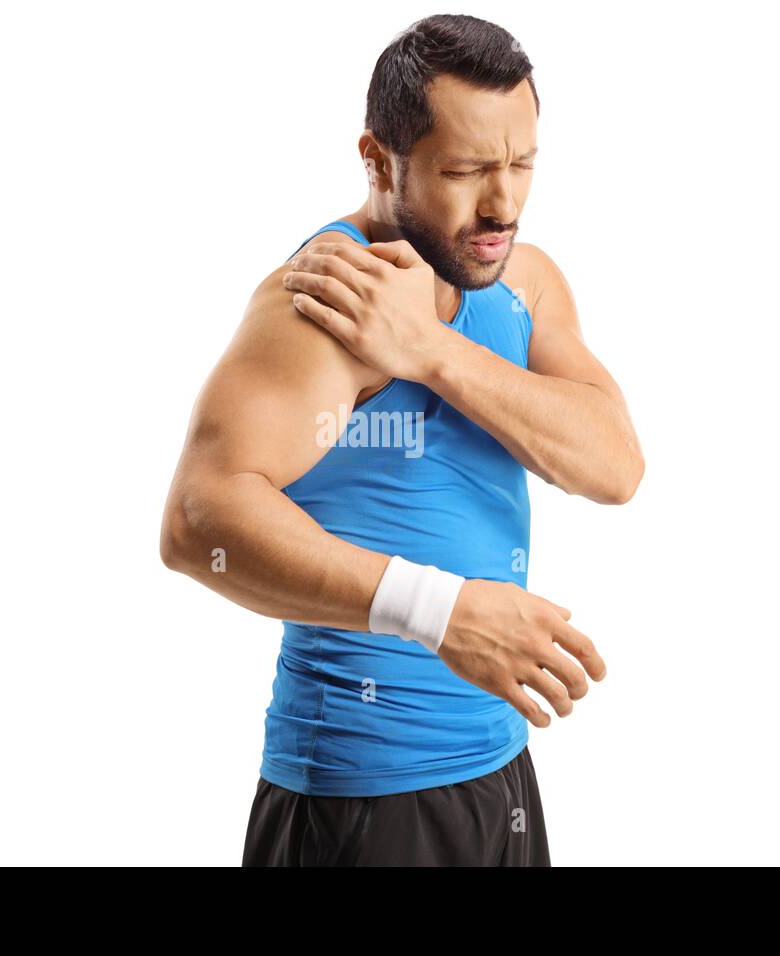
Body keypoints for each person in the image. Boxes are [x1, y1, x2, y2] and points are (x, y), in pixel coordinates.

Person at [160, 13, 644, 866]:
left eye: (520, 165)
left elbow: (613, 466)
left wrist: (429, 351)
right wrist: (441, 612)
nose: (502, 205)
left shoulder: (520, 282)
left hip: (500, 771)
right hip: (361, 799)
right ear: (380, 160)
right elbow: (198, 525)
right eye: (465, 171)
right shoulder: (322, 303)